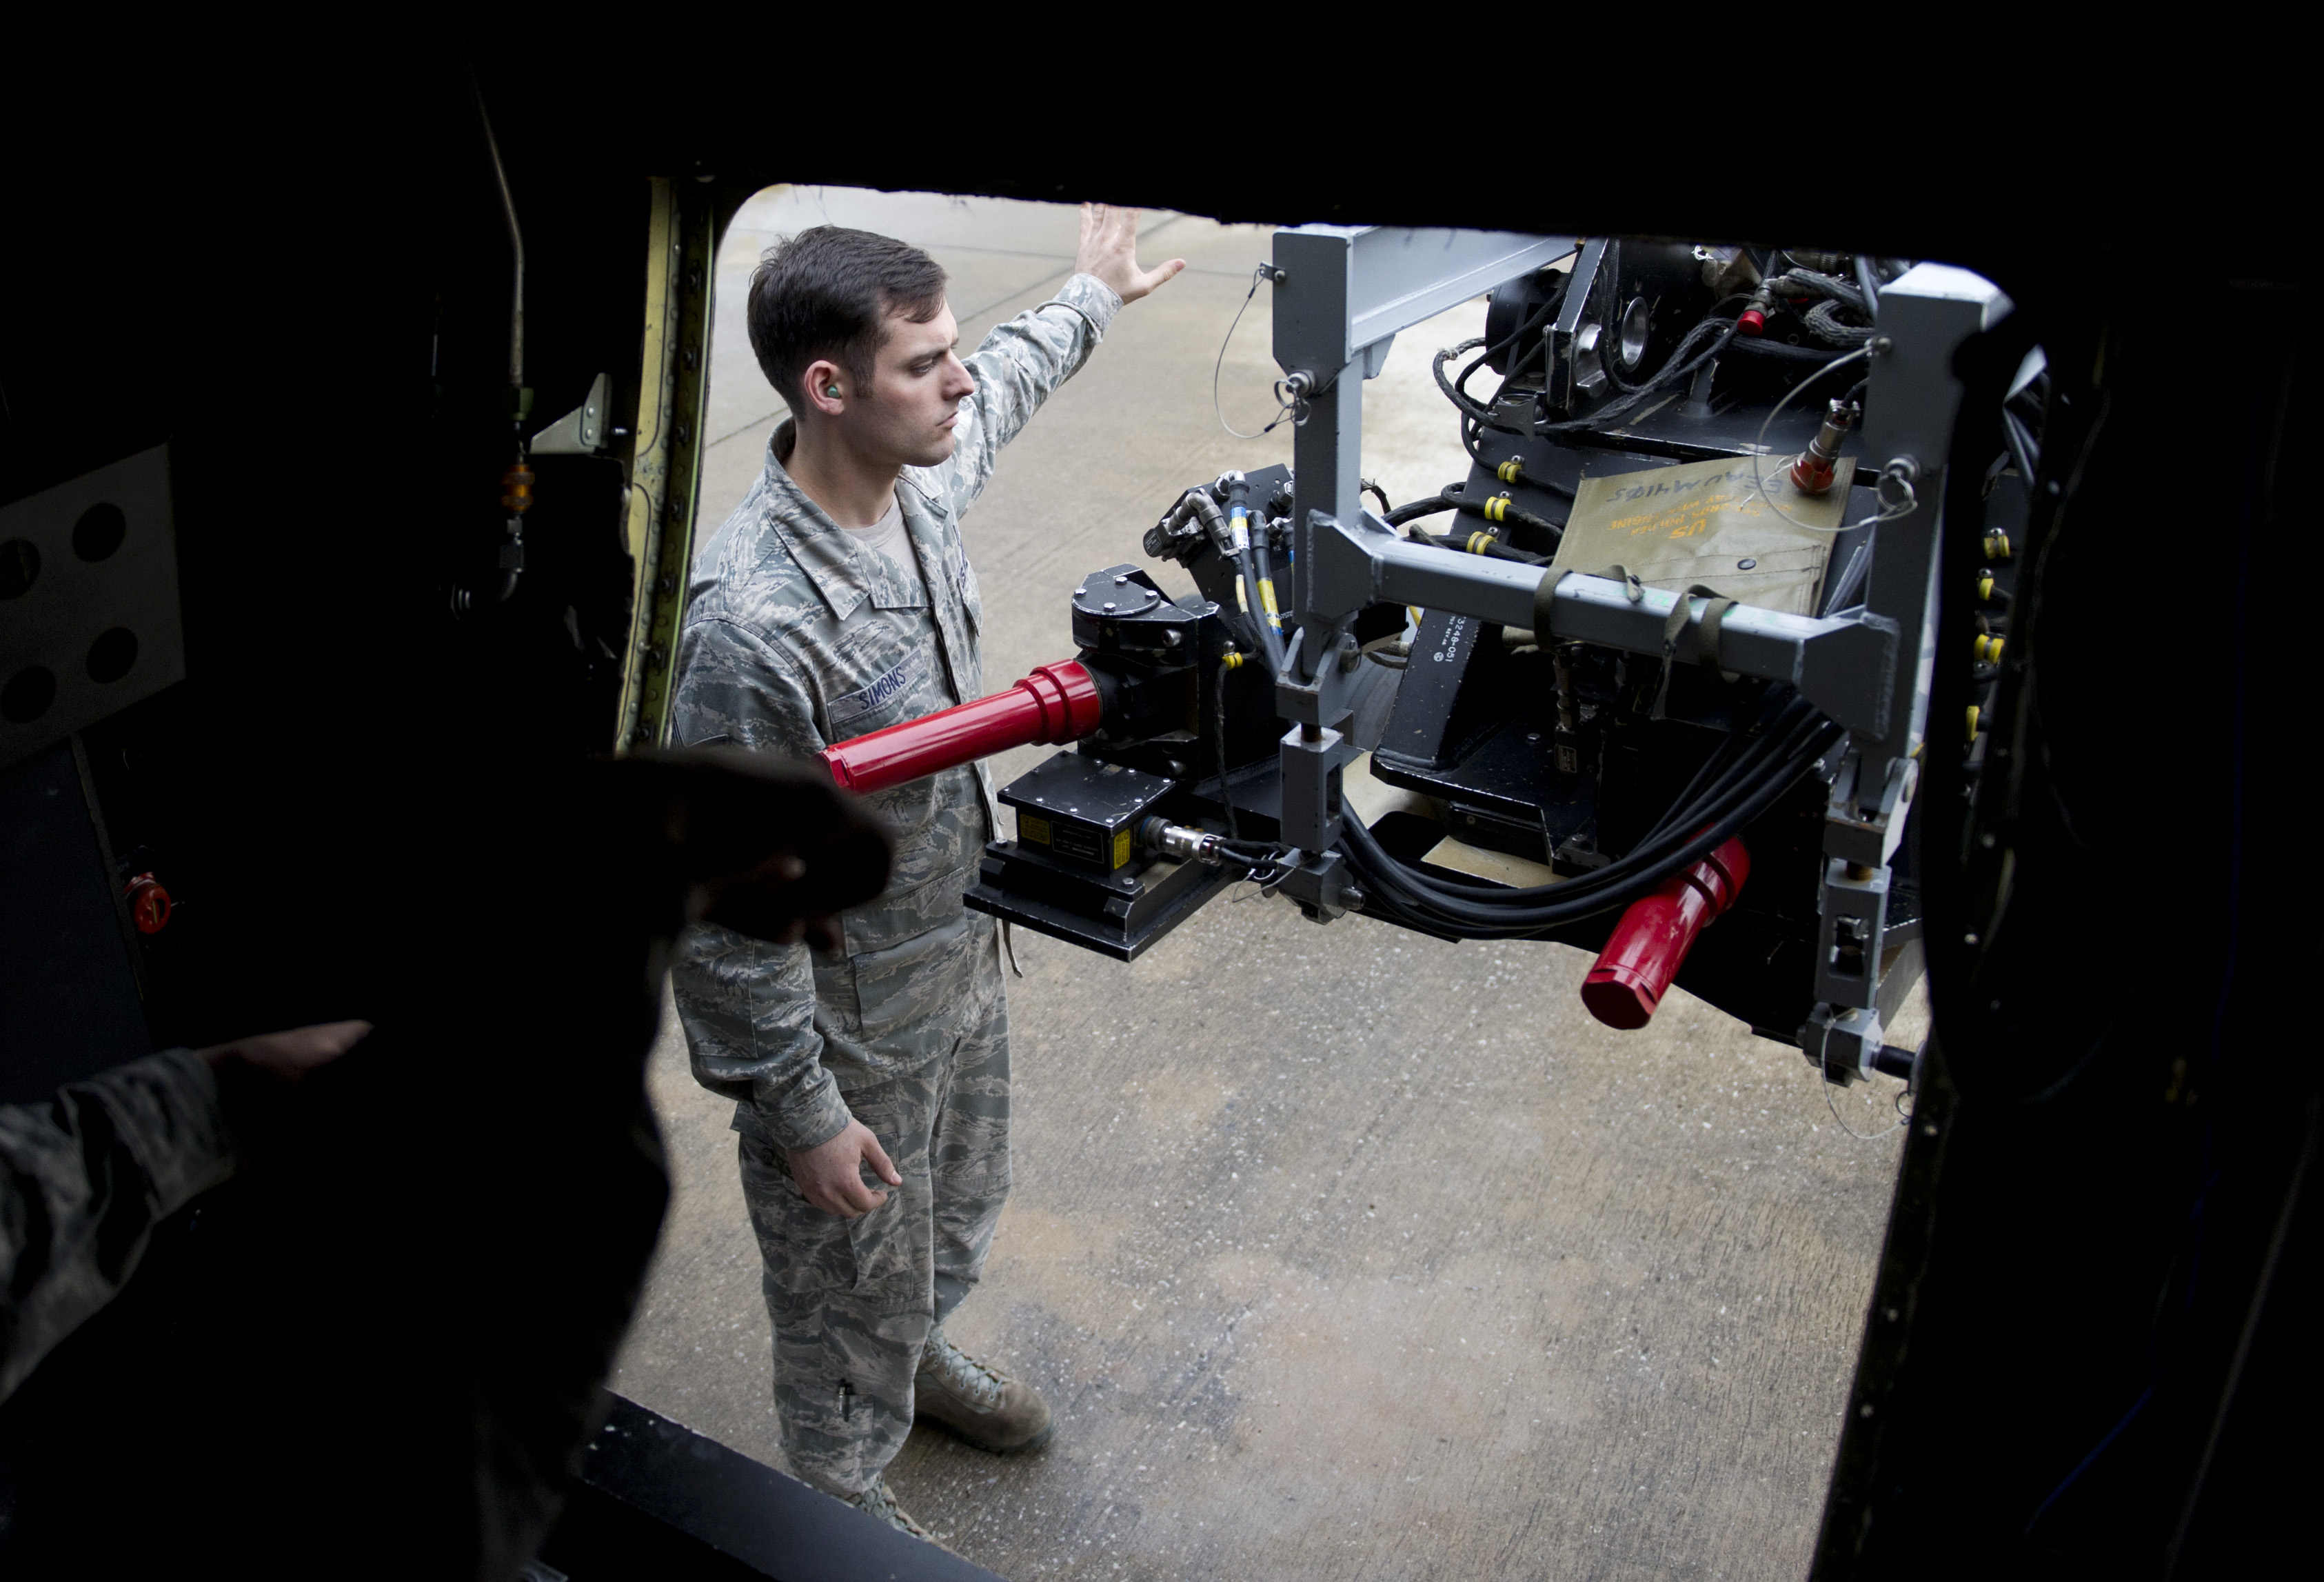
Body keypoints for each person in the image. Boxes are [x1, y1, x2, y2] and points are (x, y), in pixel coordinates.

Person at [669, 205, 1182, 1536]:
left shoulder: (918, 479)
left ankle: (922, 1352)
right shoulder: (754, 622)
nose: (957, 379)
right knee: (846, 1290)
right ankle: (834, 1500)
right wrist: (799, 1109)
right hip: (845, 1034)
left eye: (948, 350)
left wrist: (1092, 296)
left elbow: (1004, 380)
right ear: (826, 388)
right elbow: (727, 910)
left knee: (954, 1217)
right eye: (922, 362)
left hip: (953, 959)